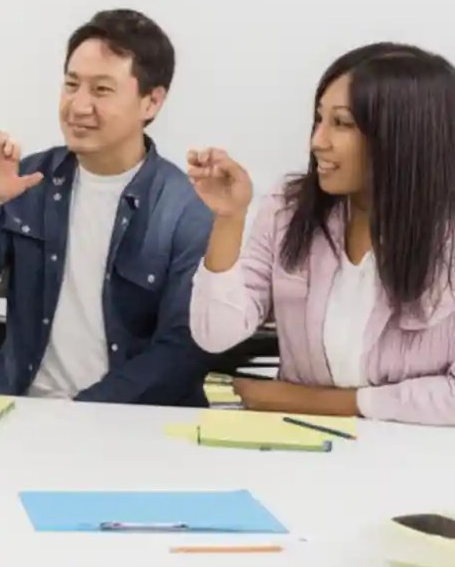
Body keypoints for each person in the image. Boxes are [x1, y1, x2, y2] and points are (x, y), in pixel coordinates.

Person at [0, 9, 214, 405]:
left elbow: (183, 349)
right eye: (71, 85)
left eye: (101, 90)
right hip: (21, 410)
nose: (78, 106)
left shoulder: (187, 207)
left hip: (129, 421)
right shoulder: (29, 181)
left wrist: (81, 414)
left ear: (151, 102)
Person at [188, 42, 455, 425]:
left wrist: (322, 402)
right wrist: (229, 219)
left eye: (342, 123)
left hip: (415, 453)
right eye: (319, 119)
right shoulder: (289, 209)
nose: (318, 141)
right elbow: (214, 333)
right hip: (301, 445)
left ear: (404, 135)